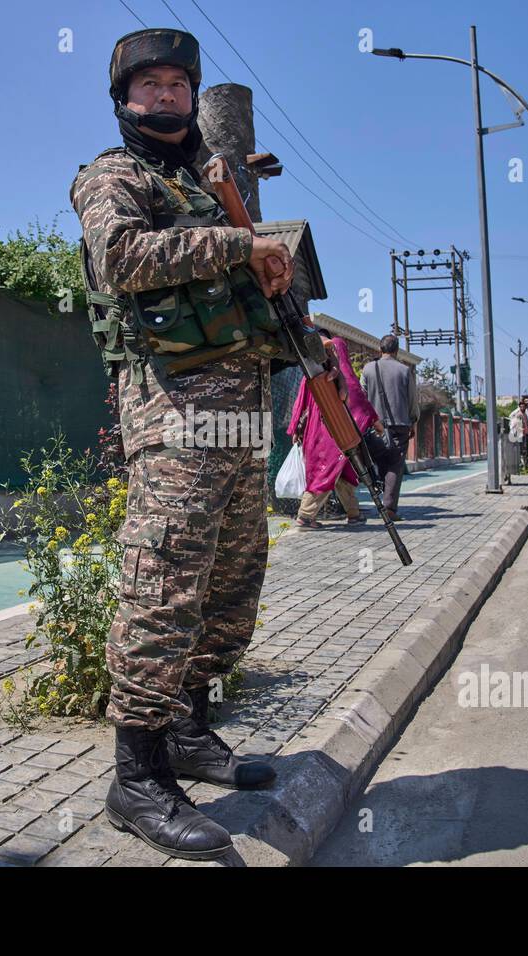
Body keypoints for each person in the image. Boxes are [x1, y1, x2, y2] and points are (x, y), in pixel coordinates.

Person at [71, 27, 296, 861]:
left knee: (232, 581)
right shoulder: (112, 177)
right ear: (124, 97)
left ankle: (191, 732)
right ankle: (134, 779)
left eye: (178, 84)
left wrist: (270, 268)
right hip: (171, 416)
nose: (165, 96)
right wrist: (244, 245)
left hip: (238, 418)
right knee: (162, 583)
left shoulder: (212, 181)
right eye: (150, 84)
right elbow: (123, 255)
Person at [288, 335, 382, 527]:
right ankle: (306, 515)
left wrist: (296, 429)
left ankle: (353, 513)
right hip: (336, 431)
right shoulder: (342, 375)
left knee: (342, 470)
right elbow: (357, 402)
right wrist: (374, 421)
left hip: (318, 432)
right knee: (328, 469)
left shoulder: (315, 371)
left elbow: (300, 402)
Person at [360, 335, 419, 520]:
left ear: (380, 349)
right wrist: (413, 420)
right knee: (395, 465)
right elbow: (411, 399)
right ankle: (389, 508)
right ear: (396, 350)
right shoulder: (404, 370)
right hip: (399, 425)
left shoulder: (368, 369)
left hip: (375, 426)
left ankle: (382, 500)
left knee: (381, 462)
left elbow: (361, 397)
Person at [509, 396, 528, 476]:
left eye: (523, 406)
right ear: (519, 407)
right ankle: (522, 465)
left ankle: (526, 465)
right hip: (521, 434)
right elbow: (514, 421)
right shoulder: (518, 414)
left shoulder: (526, 413)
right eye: (521, 406)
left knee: (526, 449)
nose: (522, 407)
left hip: (526, 434)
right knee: (522, 449)